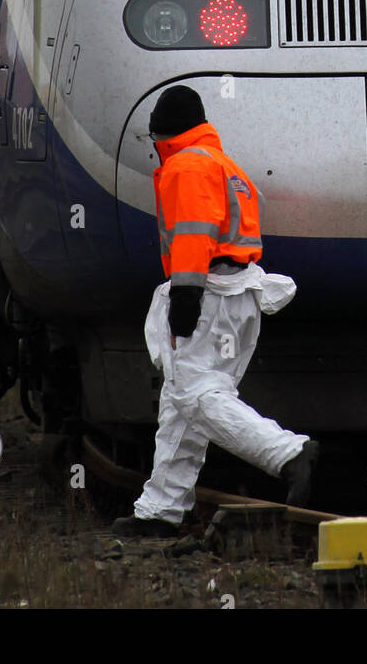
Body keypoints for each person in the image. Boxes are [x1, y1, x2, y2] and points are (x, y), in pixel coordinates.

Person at [112, 85, 318, 538]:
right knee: (180, 402)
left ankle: (287, 452)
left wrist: (186, 294)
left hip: (207, 296)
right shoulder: (226, 166)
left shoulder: (185, 165)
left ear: (162, 134)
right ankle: (161, 510)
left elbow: (192, 235)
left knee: (195, 396)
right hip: (238, 296)